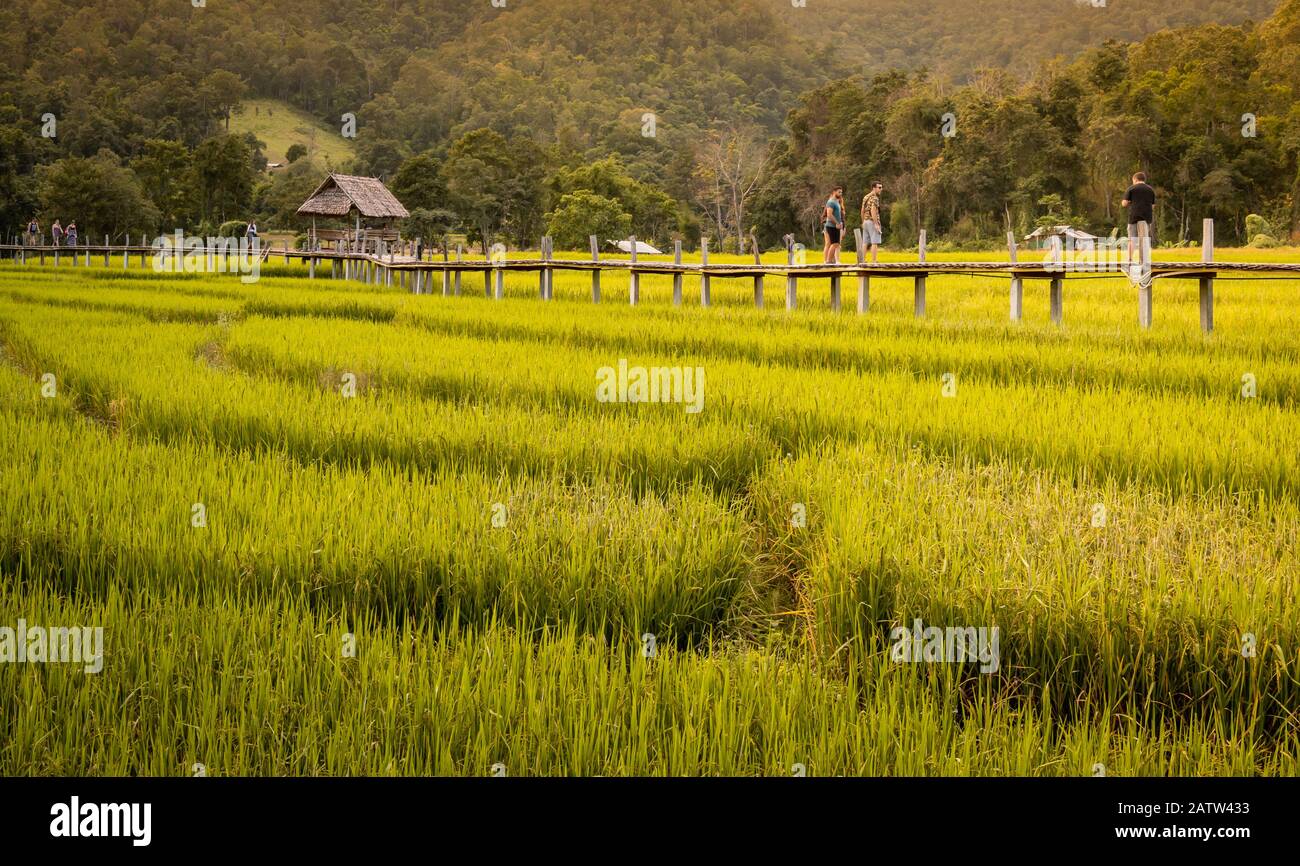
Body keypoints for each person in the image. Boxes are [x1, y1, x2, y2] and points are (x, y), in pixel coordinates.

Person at [1122, 171, 1156, 266]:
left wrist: (1130, 202)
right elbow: (1153, 205)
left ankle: (1129, 259)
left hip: (1134, 217)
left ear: (1135, 179)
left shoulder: (1131, 188)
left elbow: (1124, 203)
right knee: (1144, 239)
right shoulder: (1150, 189)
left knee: (1132, 239)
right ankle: (1144, 260)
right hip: (1146, 218)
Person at [861, 181, 884, 263]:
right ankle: (874, 261)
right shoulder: (875, 198)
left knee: (865, 242)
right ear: (874, 188)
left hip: (866, 221)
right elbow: (873, 210)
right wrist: (876, 224)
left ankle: (862, 260)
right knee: (875, 242)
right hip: (872, 221)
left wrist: (863, 221)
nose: (881, 189)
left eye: (881, 187)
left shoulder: (866, 197)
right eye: (879, 187)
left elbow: (862, 210)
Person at [823, 185, 845, 264]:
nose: (840, 193)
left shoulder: (837, 201)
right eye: (839, 192)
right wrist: (837, 223)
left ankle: (830, 260)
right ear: (834, 192)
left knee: (835, 244)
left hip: (837, 226)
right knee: (834, 244)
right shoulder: (831, 201)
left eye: (841, 192)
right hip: (831, 226)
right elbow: (829, 214)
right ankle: (828, 261)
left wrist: (841, 224)